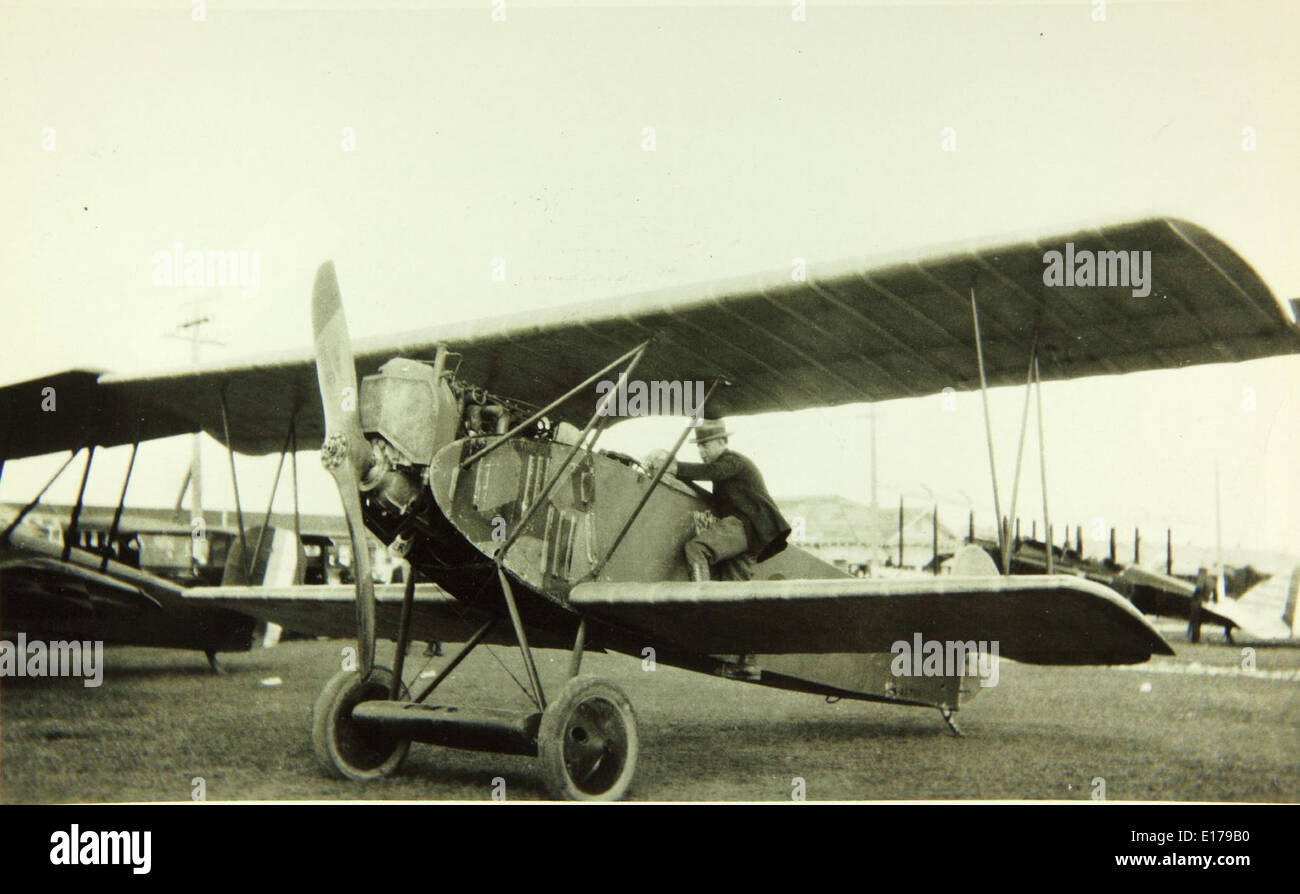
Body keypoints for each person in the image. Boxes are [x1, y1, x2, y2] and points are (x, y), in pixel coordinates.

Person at [644, 419, 791, 582]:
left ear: (722, 442)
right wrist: (680, 479)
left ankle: (699, 598)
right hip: (755, 534)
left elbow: (714, 471)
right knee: (733, 584)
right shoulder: (728, 469)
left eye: (705, 445)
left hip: (746, 524)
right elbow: (711, 497)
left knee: (696, 548)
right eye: (699, 446)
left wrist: (675, 467)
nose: (700, 451)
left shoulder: (733, 461)